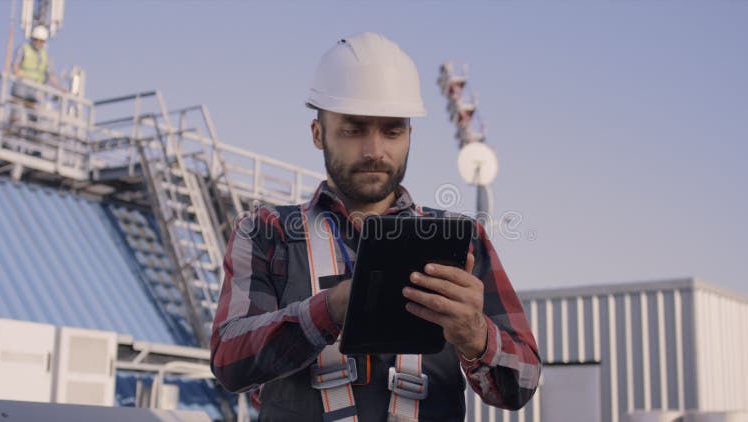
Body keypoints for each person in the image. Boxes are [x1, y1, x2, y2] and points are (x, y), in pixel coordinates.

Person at [210, 32, 541, 422]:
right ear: (318, 134)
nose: (374, 150)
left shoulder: (464, 239)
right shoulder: (265, 231)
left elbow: (520, 384)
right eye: (354, 129)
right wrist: (330, 308)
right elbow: (229, 362)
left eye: (392, 130)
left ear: (409, 136)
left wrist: (476, 336)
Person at [11, 25, 66, 104]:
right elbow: (15, 65)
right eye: (36, 39)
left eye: (41, 41)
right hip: (22, 86)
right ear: (32, 39)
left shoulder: (45, 55)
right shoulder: (24, 48)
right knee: (17, 113)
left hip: (36, 90)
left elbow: (50, 75)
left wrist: (59, 88)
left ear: (44, 42)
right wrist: (17, 74)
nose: (38, 42)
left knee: (36, 113)